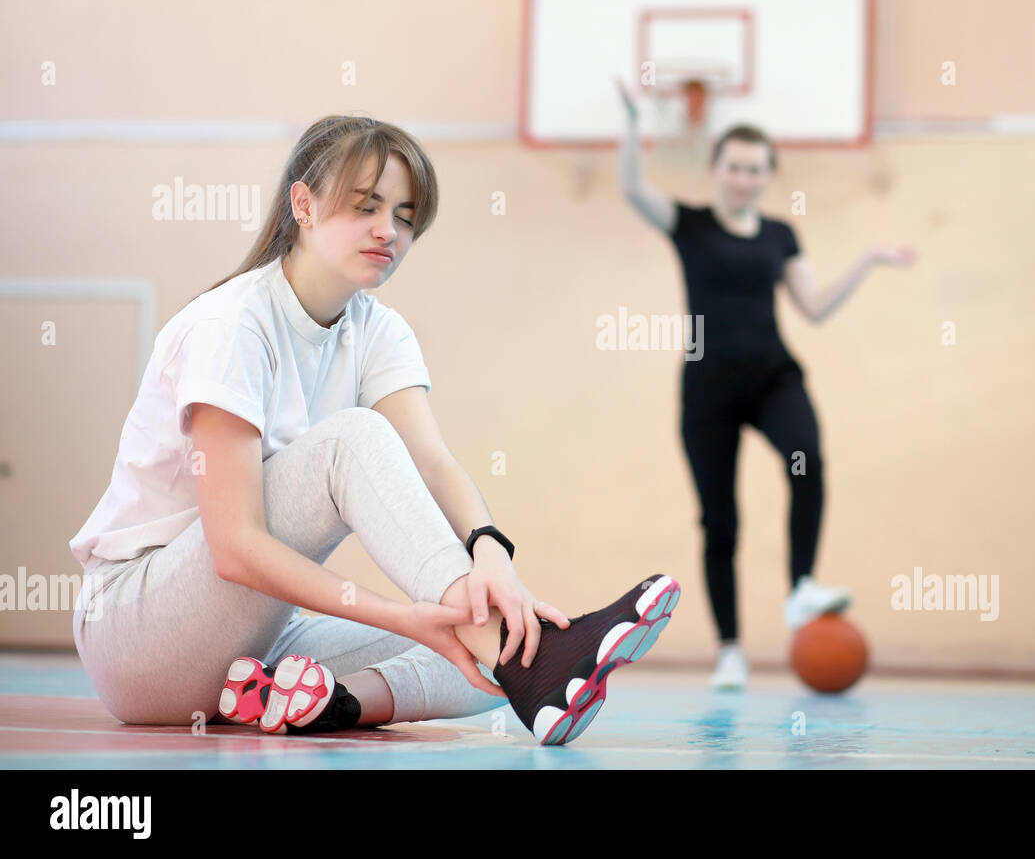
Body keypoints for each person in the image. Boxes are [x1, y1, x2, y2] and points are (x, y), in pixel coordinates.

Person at [68, 114, 679, 746]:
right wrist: (406, 617)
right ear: (302, 205)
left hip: (252, 650)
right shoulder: (233, 326)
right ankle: (530, 655)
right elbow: (235, 547)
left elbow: (435, 463)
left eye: (407, 217)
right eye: (367, 207)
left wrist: (492, 551)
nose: (390, 231)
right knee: (355, 449)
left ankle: (331, 702)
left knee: (466, 659)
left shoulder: (378, 330)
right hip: (138, 636)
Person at [615, 81, 915, 689]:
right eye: (734, 167)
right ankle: (730, 650)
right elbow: (631, 189)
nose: (744, 178)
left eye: (755, 170)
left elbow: (815, 306)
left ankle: (802, 587)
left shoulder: (780, 236)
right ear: (716, 169)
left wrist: (867, 260)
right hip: (708, 390)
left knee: (808, 460)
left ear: (767, 175)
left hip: (773, 375)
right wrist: (631, 123)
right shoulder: (690, 224)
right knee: (720, 522)